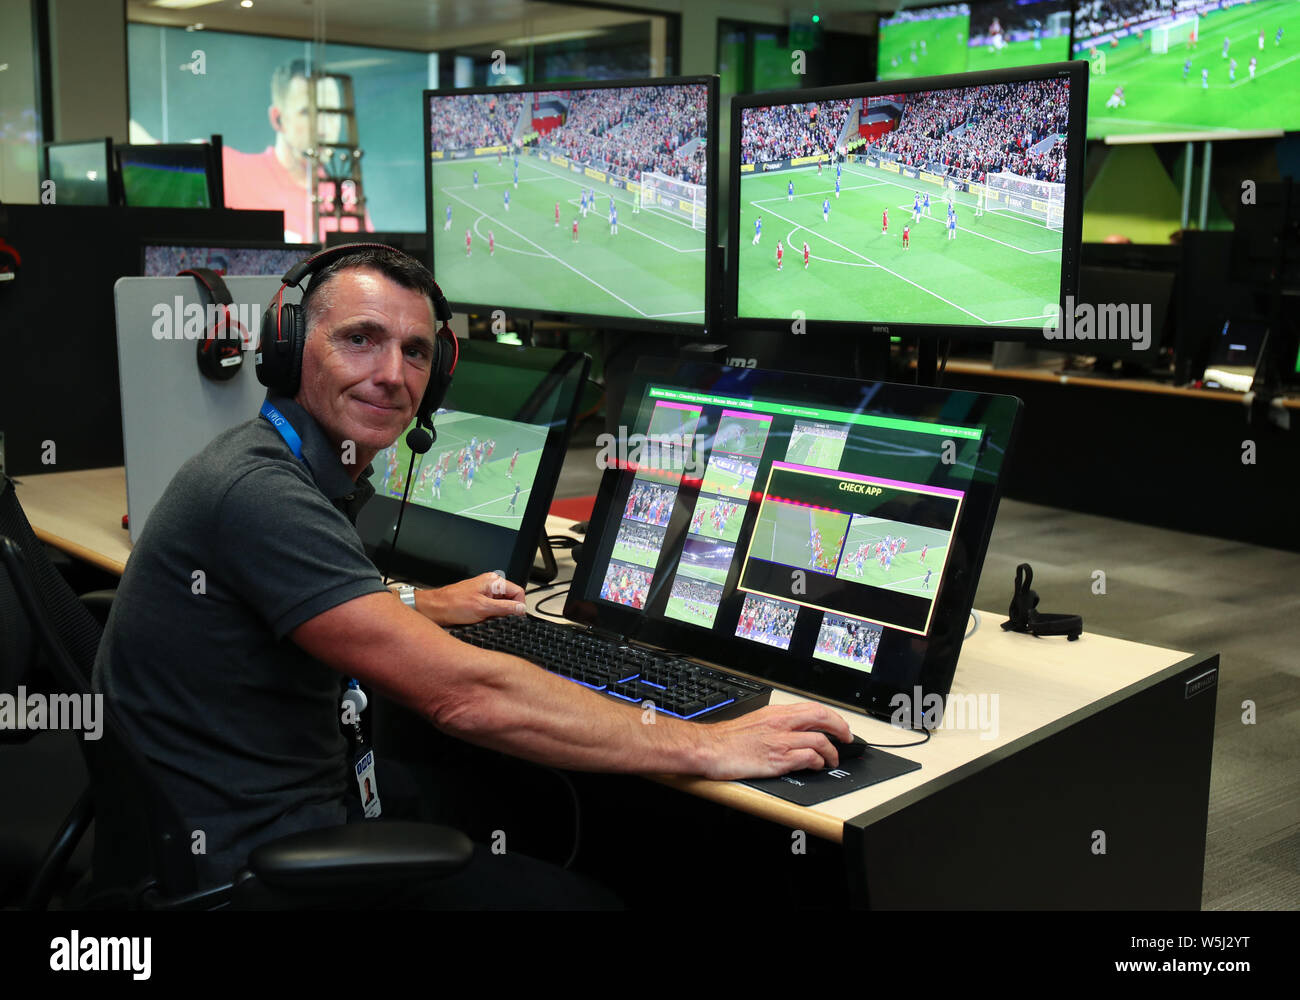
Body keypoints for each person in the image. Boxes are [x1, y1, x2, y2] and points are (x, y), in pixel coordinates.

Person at [93, 246, 851, 905]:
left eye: (416, 352)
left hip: (249, 808)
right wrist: (705, 742)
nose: (392, 375)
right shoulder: (259, 496)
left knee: (525, 804)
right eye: (360, 340)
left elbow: (308, 603)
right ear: (287, 349)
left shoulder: (276, 468)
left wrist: (418, 602)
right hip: (257, 870)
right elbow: (467, 696)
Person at [221, 59, 374, 243]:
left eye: (332, 113)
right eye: (307, 113)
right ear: (278, 119)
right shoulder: (231, 170)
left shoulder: (346, 196)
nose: (323, 128)